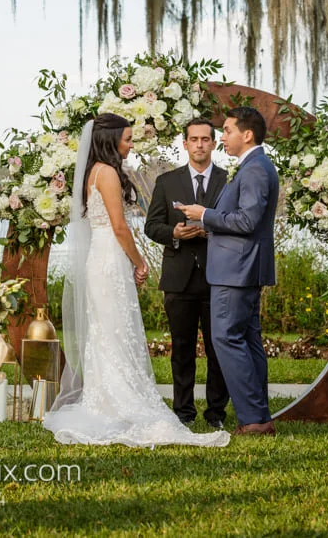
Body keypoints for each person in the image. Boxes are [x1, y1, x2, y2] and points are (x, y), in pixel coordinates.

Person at [43, 113, 229, 447]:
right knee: (114, 329)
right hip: (110, 256)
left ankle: (105, 399)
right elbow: (119, 226)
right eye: (127, 139)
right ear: (111, 140)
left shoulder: (91, 172)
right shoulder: (109, 173)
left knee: (108, 331)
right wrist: (140, 260)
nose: (130, 144)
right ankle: (117, 401)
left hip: (101, 257)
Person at [177, 107, 279, 436]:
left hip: (235, 271)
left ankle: (252, 420)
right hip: (242, 267)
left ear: (246, 134)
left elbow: (248, 221)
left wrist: (205, 215)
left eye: (228, 130)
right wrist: (212, 222)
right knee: (247, 341)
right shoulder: (254, 166)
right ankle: (259, 415)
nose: (223, 137)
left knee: (227, 340)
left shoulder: (254, 170)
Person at [144, 118, 230, 429]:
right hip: (178, 278)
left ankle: (216, 414)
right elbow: (151, 226)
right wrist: (176, 233)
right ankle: (183, 413)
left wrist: (214, 230)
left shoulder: (228, 180)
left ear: (214, 143)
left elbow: (236, 220)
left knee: (218, 348)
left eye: (205, 139)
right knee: (181, 349)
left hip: (218, 277)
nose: (199, 144)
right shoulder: (167, 182)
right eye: (193, 139)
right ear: (185, 144)